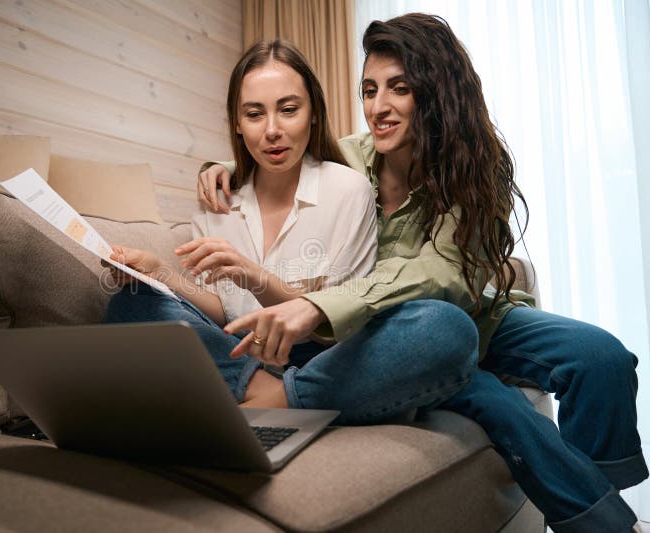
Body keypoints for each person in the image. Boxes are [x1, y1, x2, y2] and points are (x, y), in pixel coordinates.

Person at [197, 14, 646, 533]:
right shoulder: (349, 159)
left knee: (602, 357)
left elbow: (442, 273)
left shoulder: (478, 169)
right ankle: (602, 524)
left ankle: (600, 500)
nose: (378, 107)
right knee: (493, 398)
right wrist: (224, 169)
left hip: (473, 313)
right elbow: (280, 155)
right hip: (397, 334)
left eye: (399, 88)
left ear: (436, 93)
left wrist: (317, 305)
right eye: (369, 90)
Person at [103, 39, 478, 425]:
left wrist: (255, 276)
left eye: (288, 110)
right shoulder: (217, 199)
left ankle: (279, 399)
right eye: (254, 114)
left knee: (445, 329)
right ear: (237, 122)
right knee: (130, 304)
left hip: (325, 358)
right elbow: (227, 313)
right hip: (243, 355)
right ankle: (260, 389)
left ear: (313, 114)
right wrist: (162, 274)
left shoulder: (349, 189)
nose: (272, 131)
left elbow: (336, 327)